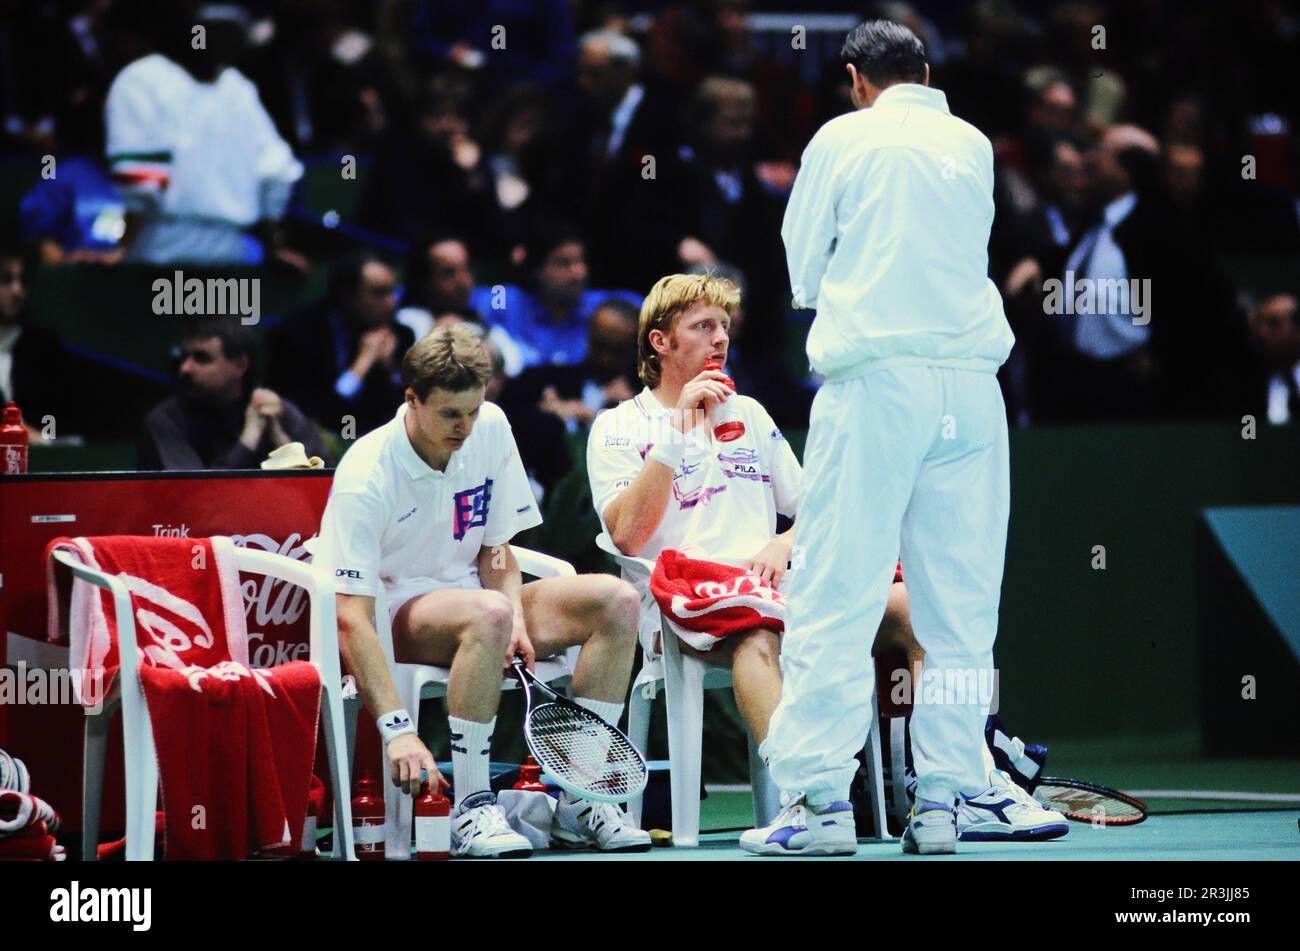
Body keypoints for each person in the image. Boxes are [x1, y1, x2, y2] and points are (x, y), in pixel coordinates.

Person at [751, 20, 1020, 857]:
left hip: (878, 385)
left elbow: (802, 258)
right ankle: (943, 800)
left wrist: (834, 291)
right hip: (973, 391)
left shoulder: (841, 134)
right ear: (927, 71)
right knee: (962, 607)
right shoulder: (972, 142)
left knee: (837, 588)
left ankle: (822, 804)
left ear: (856, 77)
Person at [314, 324, 648, 857]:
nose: (464, 427)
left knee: (615, 600)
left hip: (480, 599)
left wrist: (515, 615)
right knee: (488, 612)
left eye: (472, 410)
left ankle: (583, 796)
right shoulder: (367, 473)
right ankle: (471, 805)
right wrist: (397, 729)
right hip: (398, 611)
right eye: (450, 414)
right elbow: (349, 617)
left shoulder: (490, 426)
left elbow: (497, 552)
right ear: (412, 400)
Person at [103, 4, 304, 267]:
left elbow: (275, 172)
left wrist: (123, 248)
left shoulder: (236, 86)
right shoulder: (144, 78)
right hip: (185, 245)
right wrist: (273, 243)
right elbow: (142, 177)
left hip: (199, 247)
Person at [138, 319, 327, 470]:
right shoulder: (166, 420)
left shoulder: (275, 411)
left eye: (202, 358)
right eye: (184, 357)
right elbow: (194, 498)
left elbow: (325, 484)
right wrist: (248, 440)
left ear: (240, 365)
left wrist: (279, 437)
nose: (185, 368)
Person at [499, 297, 639, 500]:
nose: (606, 358)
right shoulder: (545, 382)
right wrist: (550, 413)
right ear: (589, 337)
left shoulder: (648, 397)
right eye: (600, 346)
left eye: (618, 351)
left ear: (636, 349)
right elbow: (508, 420)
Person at [267, 252, 415, 439]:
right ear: (347, 295)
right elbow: (315, 416)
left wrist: (391, 370)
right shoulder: (298, 334)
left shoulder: (400, 335)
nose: (391, 303)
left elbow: (406, 412)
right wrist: (359, 368)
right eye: (379, 293)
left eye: (392, 292)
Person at [0, 246, 62, 439]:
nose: (17, 291)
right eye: (6, 280)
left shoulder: (42, 347)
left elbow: (53, 423)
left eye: (23, 281)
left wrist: (41, 439)